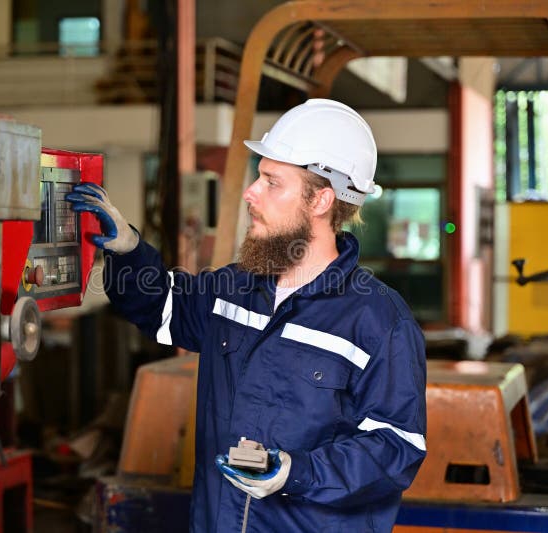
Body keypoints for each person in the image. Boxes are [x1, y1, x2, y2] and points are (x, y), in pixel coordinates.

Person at [66, 99, 426, 533]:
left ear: (321, 200)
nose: (251, 193)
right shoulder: (236, 288)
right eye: (259, 176)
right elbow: (161, 305)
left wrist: (295, 472)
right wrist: (127, 249)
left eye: (272, 182)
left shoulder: (378, 321)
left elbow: (396, 447)